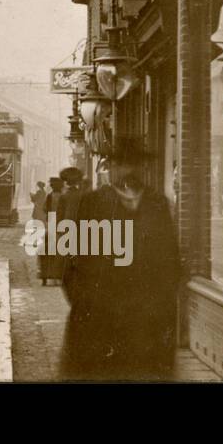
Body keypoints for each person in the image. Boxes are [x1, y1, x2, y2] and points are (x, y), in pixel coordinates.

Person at [61, 142, 181, 380]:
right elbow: (74, 263)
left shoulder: (157, 205)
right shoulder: (93, 203)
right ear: (112, 168)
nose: (128, 170)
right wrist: (85, 304)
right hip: (99, 320)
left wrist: (160, 310)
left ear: (143, 168)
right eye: (122, 164)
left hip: (145, 324)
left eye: (134, 164)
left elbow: (170, 263)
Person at [38, 177, 63, 285]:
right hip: (62, 224)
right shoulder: (63, 197)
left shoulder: (49, 196)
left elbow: (45, 209)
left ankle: (46, 274)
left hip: (52, 222)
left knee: (47, 249)